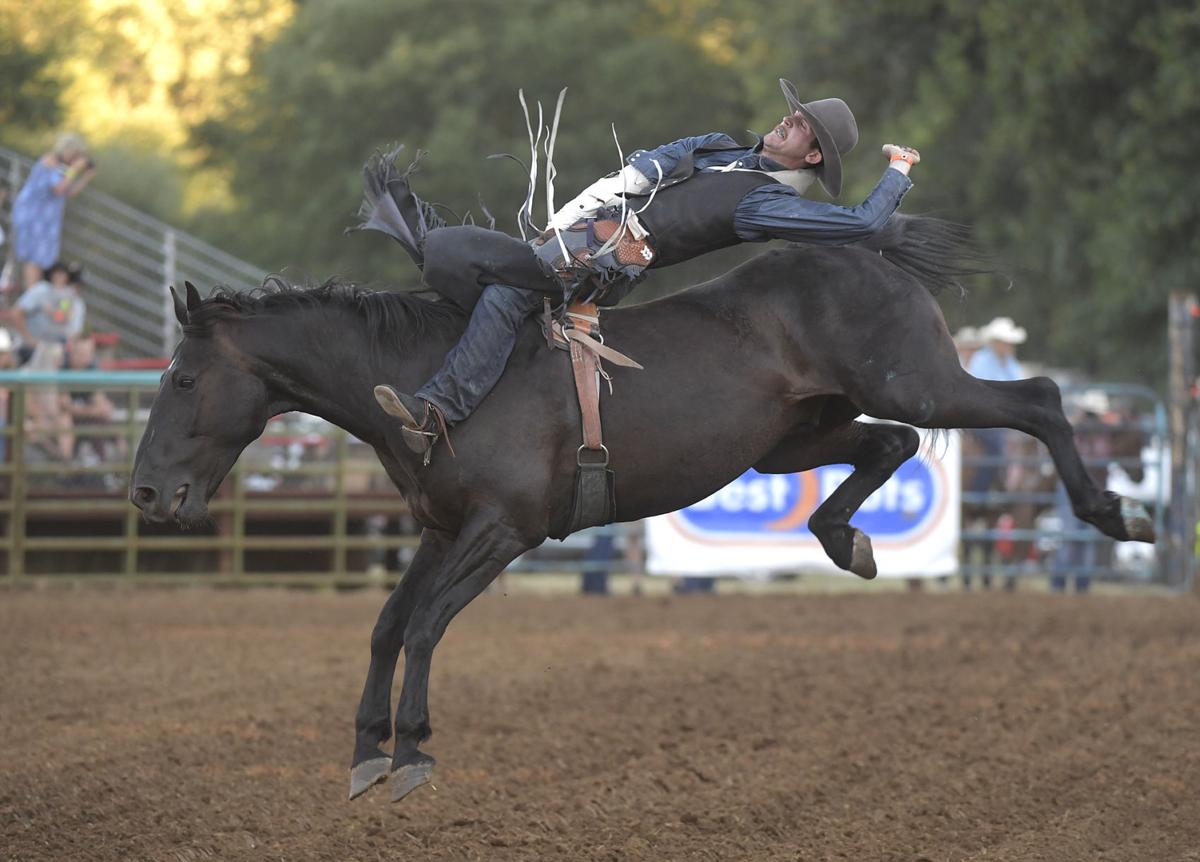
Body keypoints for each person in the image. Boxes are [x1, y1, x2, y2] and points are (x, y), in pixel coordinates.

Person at [360, 79, 921, 462]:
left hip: (612, 260)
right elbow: (662, 155)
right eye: (795, 113)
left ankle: (438, 410)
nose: (787, 119)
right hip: (587, 234)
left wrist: (898, 170)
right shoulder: (721, 148)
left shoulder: (767, 203)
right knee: (494, 284)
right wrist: (609, 193)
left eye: (800, 125)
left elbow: (862, 223)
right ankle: (431, 275)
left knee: (503, 289)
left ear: (813, 156)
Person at [10, 133, 97, 290]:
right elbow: (58, 188)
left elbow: (68, 192)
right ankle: (31, 296)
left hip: (45, 222)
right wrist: (74, 169)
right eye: (76, 155)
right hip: (34, 218)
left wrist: (85, 177)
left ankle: (32, 295)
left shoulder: (62, 168)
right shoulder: (50, 161)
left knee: (41, 260)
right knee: (34, 259)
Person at [2, 260, 87, 365]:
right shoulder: (42, 290)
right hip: (30, 347)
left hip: (55, 348)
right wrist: (31, 340)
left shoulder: (71, 300)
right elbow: (16, 312)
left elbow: (62, 319)